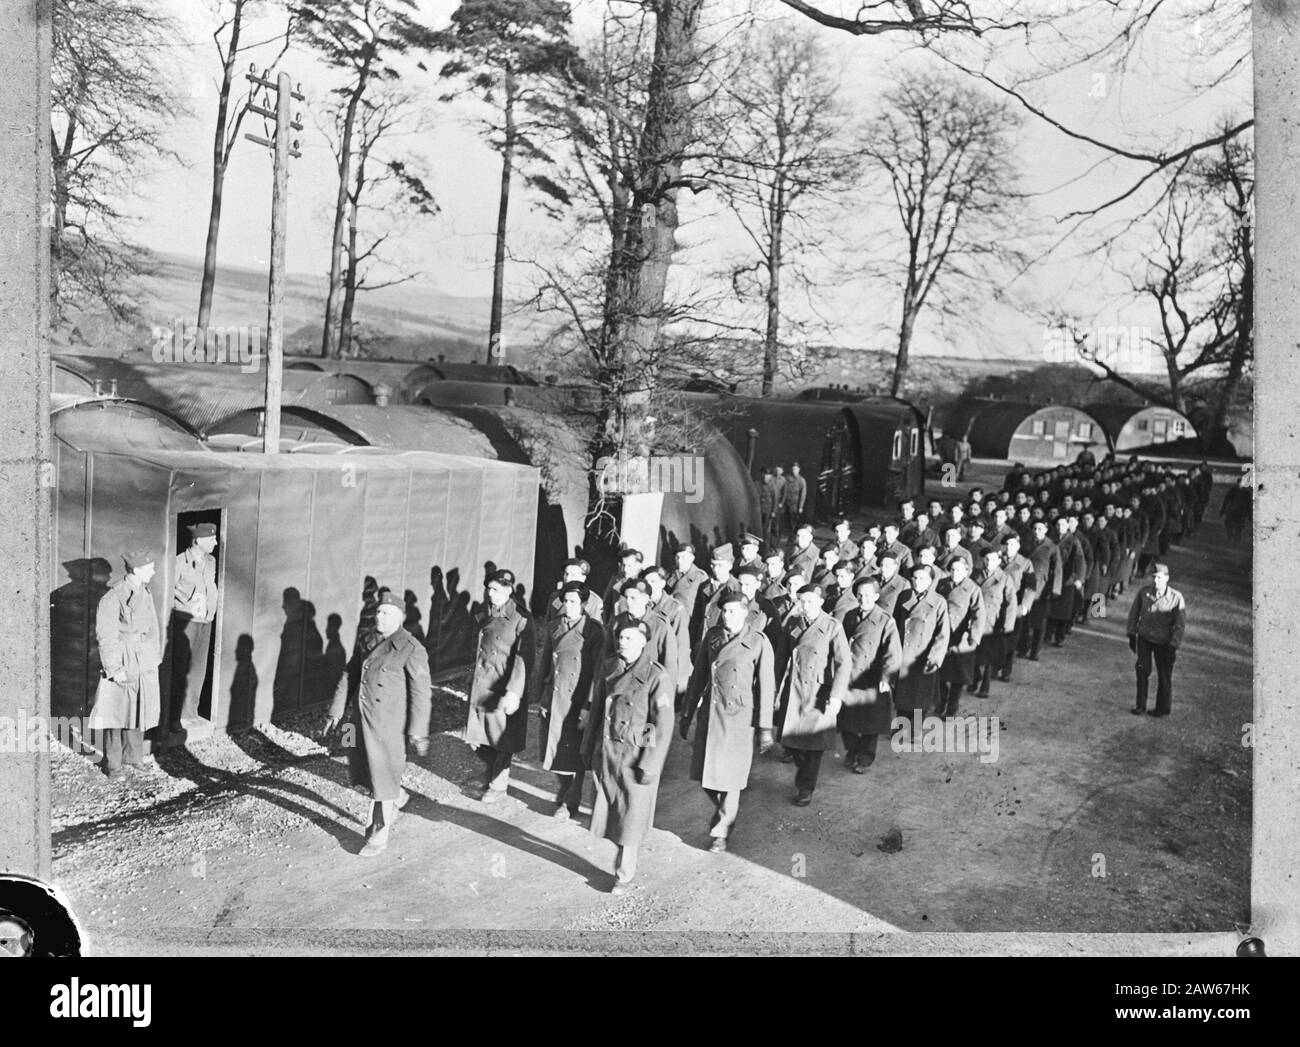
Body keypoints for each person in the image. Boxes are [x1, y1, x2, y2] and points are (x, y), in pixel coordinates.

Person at [333, 590, 432, 857]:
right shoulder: (367, 640)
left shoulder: (411, 648)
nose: (379, 615)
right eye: (378, 611)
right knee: (356, 766)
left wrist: (418, 732)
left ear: (399, 617)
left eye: (386, 612)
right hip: (355, 723)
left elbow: (422, 693)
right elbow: (350, 675)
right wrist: (335, 710)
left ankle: (378, 834)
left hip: (387, 727)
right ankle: (397, 796)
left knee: (381, 778)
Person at [583, 620, 675, 894]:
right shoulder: (610, 666)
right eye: (621, 637)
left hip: (633, 756)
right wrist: (588, 747)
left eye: (630, 638)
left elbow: (658, 722)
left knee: (630, 816)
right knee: (612, 810)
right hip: (608, 751)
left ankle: (624, 874)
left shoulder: (656, 676)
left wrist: (647, 759)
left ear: (643, 642)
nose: (623, 642)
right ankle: (621, 860)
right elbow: (599, 709)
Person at [680, 591, 775, 852]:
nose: (728, 615)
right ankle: (724, 813)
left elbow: (766, 688)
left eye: (734, 610)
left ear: (746, 612)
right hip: (711, 715)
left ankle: (722, 830)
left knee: (731, 779)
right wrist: (687, 713)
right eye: (725, 611)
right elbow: (698, 676)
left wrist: (765, 728)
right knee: (705, 776)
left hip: (739, 719)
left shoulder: (757, 642)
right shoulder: (712, 637)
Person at [88, 549, 163, 780]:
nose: (153, 570)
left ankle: (134, 757)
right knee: (116, 714)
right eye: (149, 567)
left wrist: (154, 656)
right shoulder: (113, 597)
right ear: (137, 570)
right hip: (123, 659)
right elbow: (106, 636)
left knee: (139, 709)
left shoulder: (144, 592)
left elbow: (153, 627)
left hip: (143, 660)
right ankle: (113, 765)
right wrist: (115, 669)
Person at [776, 584, 850, 806]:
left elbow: (843, 662)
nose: (805, 606)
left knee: (814, 745)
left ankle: (805, 788)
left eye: (810, 601)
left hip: (819, 691)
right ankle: (803, 775)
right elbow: (781, 657)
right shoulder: (793, 623)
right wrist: (773, 688)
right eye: (802, 601)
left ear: (820, 602)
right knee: (791, 741)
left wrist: (836, 695)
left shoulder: (832, 626)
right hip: (795, 688)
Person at [465, 568, 535, 803]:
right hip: (481, 682)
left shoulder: (521, 618)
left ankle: (498, 783)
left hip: (503, 684)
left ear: (508, 590)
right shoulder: (484, 612)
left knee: (503, 737)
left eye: (495, 589)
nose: (490, 593)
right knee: (475, 736)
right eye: (489, 589)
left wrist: (514, 691)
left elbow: (524, 657)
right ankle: (492, 769)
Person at [538, 582, 605, 821]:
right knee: (553, 750)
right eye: (565, 601)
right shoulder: (554, 626)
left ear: (584, 604)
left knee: (574, 754)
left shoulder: (594, 631)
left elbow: (597, 673)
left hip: (576, 700)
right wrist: (541, 698)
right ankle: (565, 787)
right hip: (555, 696)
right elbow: (546, 663)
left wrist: (588, 707)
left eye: (574, 601)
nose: (568, 606)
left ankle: (570, 801)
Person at [839, 578, 902, 773]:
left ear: (876, 596)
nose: (863, 598)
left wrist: (886, 678)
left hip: (871, 679)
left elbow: (893, 653)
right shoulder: (849, 616)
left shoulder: (885, 620)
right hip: (849, 676)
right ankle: (851, 751)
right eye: (859, 594)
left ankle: (865, 758)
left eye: (867, 594)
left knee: (870, 723)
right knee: (846, 720)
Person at [167, 522, 219, 740]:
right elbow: (167, 592)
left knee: (199, 667)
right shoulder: (179, 562)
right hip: (185, 622)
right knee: (181, 669)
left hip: (205, 620)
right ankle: (174, 717)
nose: (216, 542)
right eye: (211, 539)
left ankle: (190, 712)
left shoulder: (211, 561)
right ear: (197, 540)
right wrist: (185, 603)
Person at [1125, 563, 1186, 717]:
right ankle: (1141, 705)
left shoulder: (1176, 598)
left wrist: (1173, 645)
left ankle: (1162, 708)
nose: (1156, 581)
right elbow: (1133, 614)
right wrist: (1131, 634)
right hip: (1145, 638)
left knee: (1164, 676)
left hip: (1164, 642)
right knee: (1142, 670)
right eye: (1154, 578)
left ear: (1167, 578)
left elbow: (1180, 625)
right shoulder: (1144, 593)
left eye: (1159, 578)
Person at [892, 563, 950, 724]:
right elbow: (895, 624)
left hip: (924, 656)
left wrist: (934, 658)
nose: (918, 582)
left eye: (922, 578)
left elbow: (943, 634)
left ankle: (915, 729)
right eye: (915, 578)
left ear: (931, 581)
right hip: (904, 654)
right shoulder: (904, 596)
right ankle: (900, 726)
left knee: (921, 696)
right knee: (902, 695)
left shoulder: (938, 602)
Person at [936, 556, 984, 719]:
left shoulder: (973, 589)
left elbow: (979, 614)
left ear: (966, 571)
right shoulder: (942, 584)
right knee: (941, 674)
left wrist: (974, 637)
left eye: (959, 569)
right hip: (943, 635)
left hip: (961, 637)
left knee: (958, 676)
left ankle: (952, 707)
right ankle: (941, 702)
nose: (955, 573)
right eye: (952, 569)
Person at [972, 548, 1017, 698]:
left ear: (998, 562)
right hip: (975, 620)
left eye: (992, 559)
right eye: (986, 559)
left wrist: (1007, 625)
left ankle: (985, 685)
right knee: (973, 651)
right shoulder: (976, 575)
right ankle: (975, 676)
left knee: (989, 656)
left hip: (993, 622)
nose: (989, 562)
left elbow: (1011, 603)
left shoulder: (1005, 579)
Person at [643, 565, 691, 703]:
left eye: (653, 582)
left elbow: (681, 647)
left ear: (663, 583)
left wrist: (678, 683)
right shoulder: (641, 606)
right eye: (646, 582)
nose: (649, 586)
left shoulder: (675, 609)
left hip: (663, 668)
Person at [667, 543, 709, 647]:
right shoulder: (671, 575)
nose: (680, 561)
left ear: (692, 558)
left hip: (690, 624)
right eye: (678, 557)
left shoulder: (700, 577)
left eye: (684, 557)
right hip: (672, 620)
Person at [782, 462, 807, 538]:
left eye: (796, 469)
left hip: (795, 505)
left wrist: (800, 507)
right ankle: (787, 537)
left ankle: (792, 538)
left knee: (794, 522)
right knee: (786, 521)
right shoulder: (787, 478)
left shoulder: (801, 480)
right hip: (787, 503)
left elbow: (803, 494)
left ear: (799, 470)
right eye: (793, 469)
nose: (794, 470)